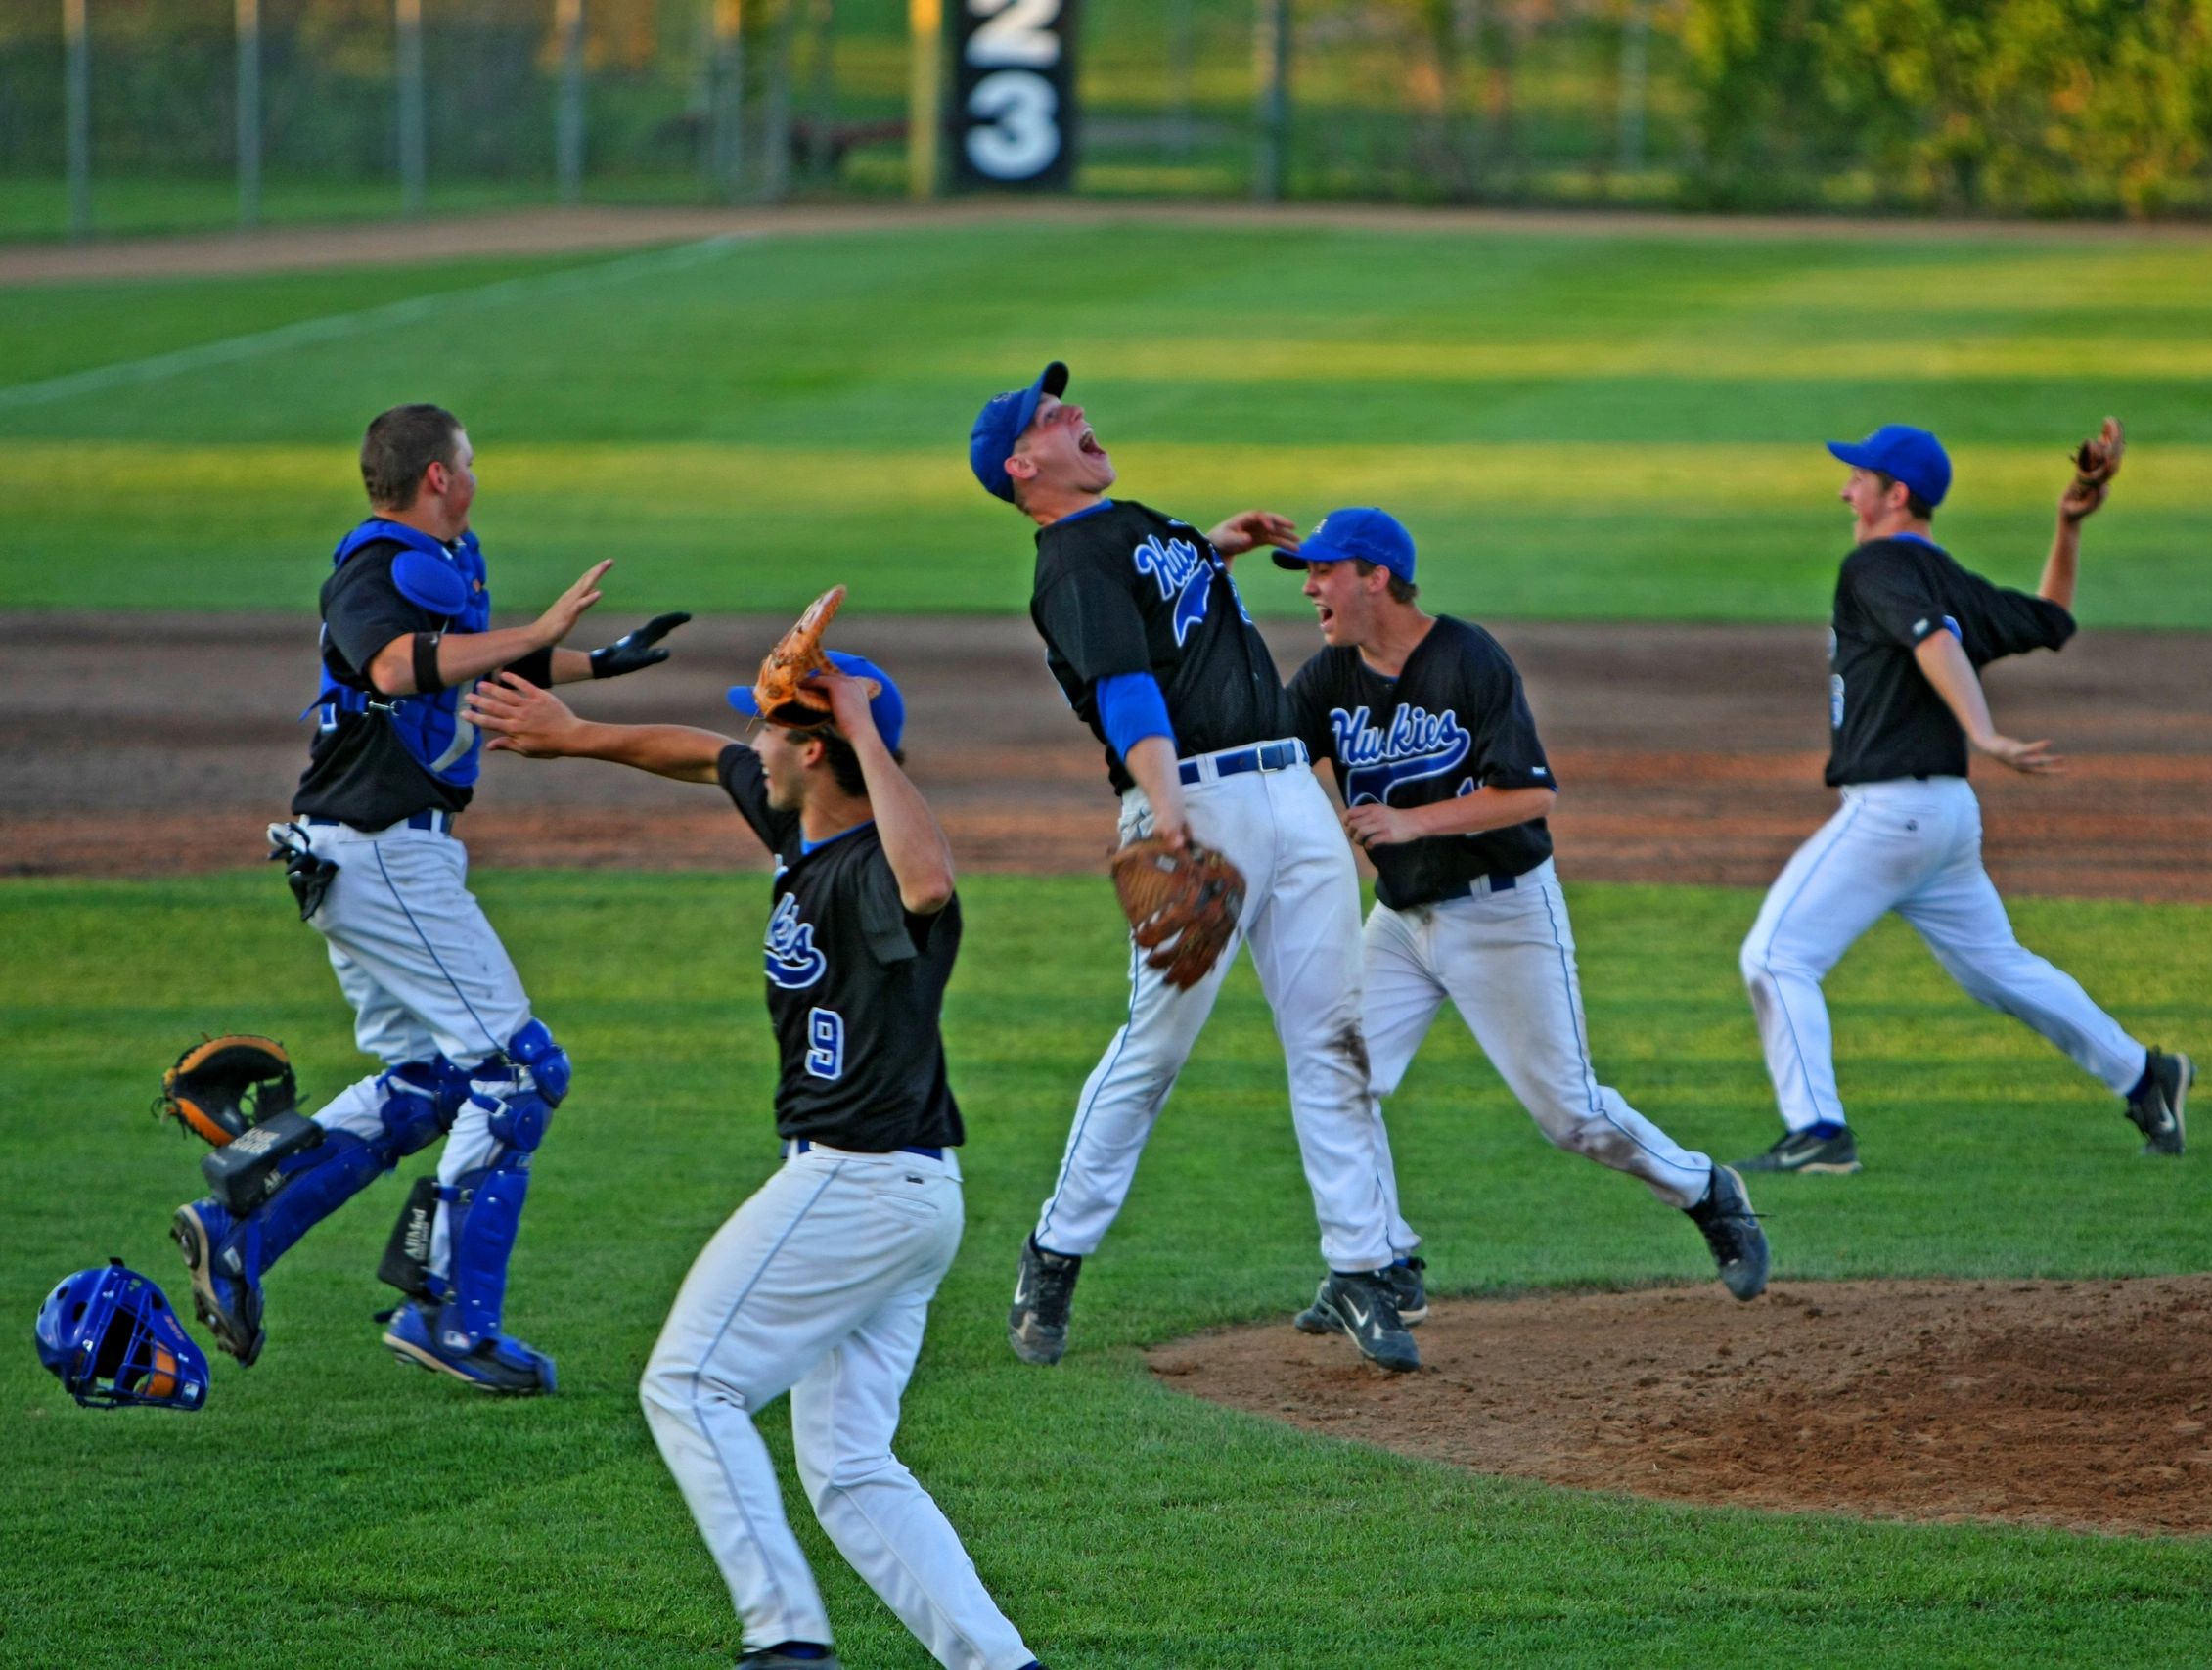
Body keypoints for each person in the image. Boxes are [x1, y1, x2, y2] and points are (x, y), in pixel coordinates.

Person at [461, 616, 1045, 1670]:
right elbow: (700, 754)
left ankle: (785, 1641)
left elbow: (930, 887)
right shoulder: (800, 827)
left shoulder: (878, 866)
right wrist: (575, 732)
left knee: (687, 1385)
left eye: (773, 731)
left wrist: (866, 733)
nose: (754, 747)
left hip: (857, 1181)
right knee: (849, 1466)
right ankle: (1000, 1663)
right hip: (906, 1194)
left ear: (817, 749)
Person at [171, 402, 685, 1393]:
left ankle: (237, 1232)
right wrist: (538, 629)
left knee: (430, 1084)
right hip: (379, 857)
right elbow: (395, 665)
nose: (477, 477)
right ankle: (447, 1317)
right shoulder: (375, 566)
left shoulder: (446, 560)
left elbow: (480, 664)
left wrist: (597, 662)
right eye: (470, 463)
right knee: (520, 1077)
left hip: (371, 857)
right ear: (437, 477)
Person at [970, 361, 1421, 1374]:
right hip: (1196, 801)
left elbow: (1166, 606)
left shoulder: (1128, 525)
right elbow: (1128, 690)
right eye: (1054, 417)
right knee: (1153, 1048)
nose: (1078, 415)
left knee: (1332, 1038)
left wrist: (1213, 544)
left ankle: (1360, 1265)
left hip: (1291, 801)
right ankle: (1056, 1251)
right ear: (1021, 463)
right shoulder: (1069, 565)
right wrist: (1165, 815)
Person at [1276, 508, 1769, 1313]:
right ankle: (1379, 1263)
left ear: (1376, 577)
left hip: (1502, 914)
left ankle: (1707, 1190)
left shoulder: (1468, 658)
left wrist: (1410, 821)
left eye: (1324, 571)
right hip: (1400, 922)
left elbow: (1532, 791)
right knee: (1338, 1070)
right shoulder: (1329, 675)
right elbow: (1272, 760)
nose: (1309, 587)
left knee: (1572, 1117)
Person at [1733, 422, 2192, 1175]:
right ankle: (2147, 1076)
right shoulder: (1948, 578)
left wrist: (1984, 731)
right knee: (1999, 969)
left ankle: (1819, 1131)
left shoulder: (1875, 567)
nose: (1846, 490)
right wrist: (2066, 526)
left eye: (1860, 479)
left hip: (1893, 815)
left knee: (1776, 955)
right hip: (1944, 821)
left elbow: (1933, 642)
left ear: (1896, 494)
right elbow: (2051, 620)